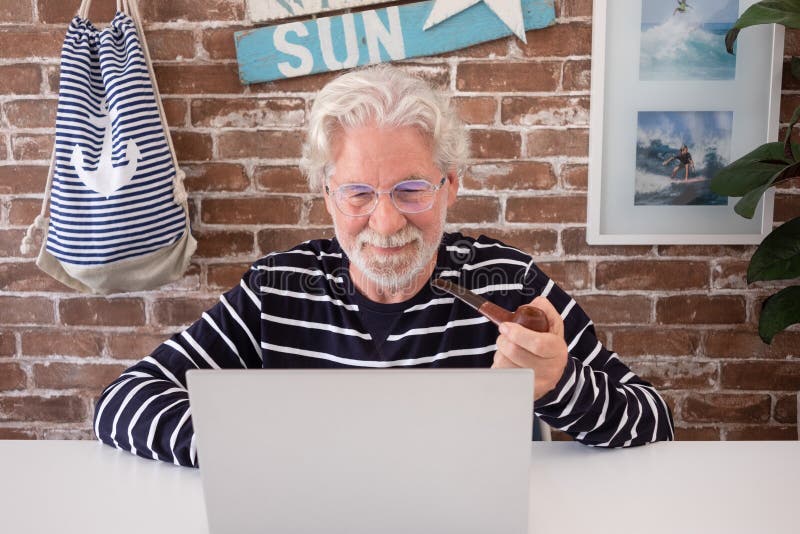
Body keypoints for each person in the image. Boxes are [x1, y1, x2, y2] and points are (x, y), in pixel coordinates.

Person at [94, 65, 674, 467]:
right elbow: (123, 400)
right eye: (359, 193)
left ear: (450, 185)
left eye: (411, 189)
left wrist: (559, 383)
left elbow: (654, 420)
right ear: (328, 195)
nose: (388, 222)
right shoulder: (276, 289)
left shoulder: (507, 282)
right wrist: (255, 453)